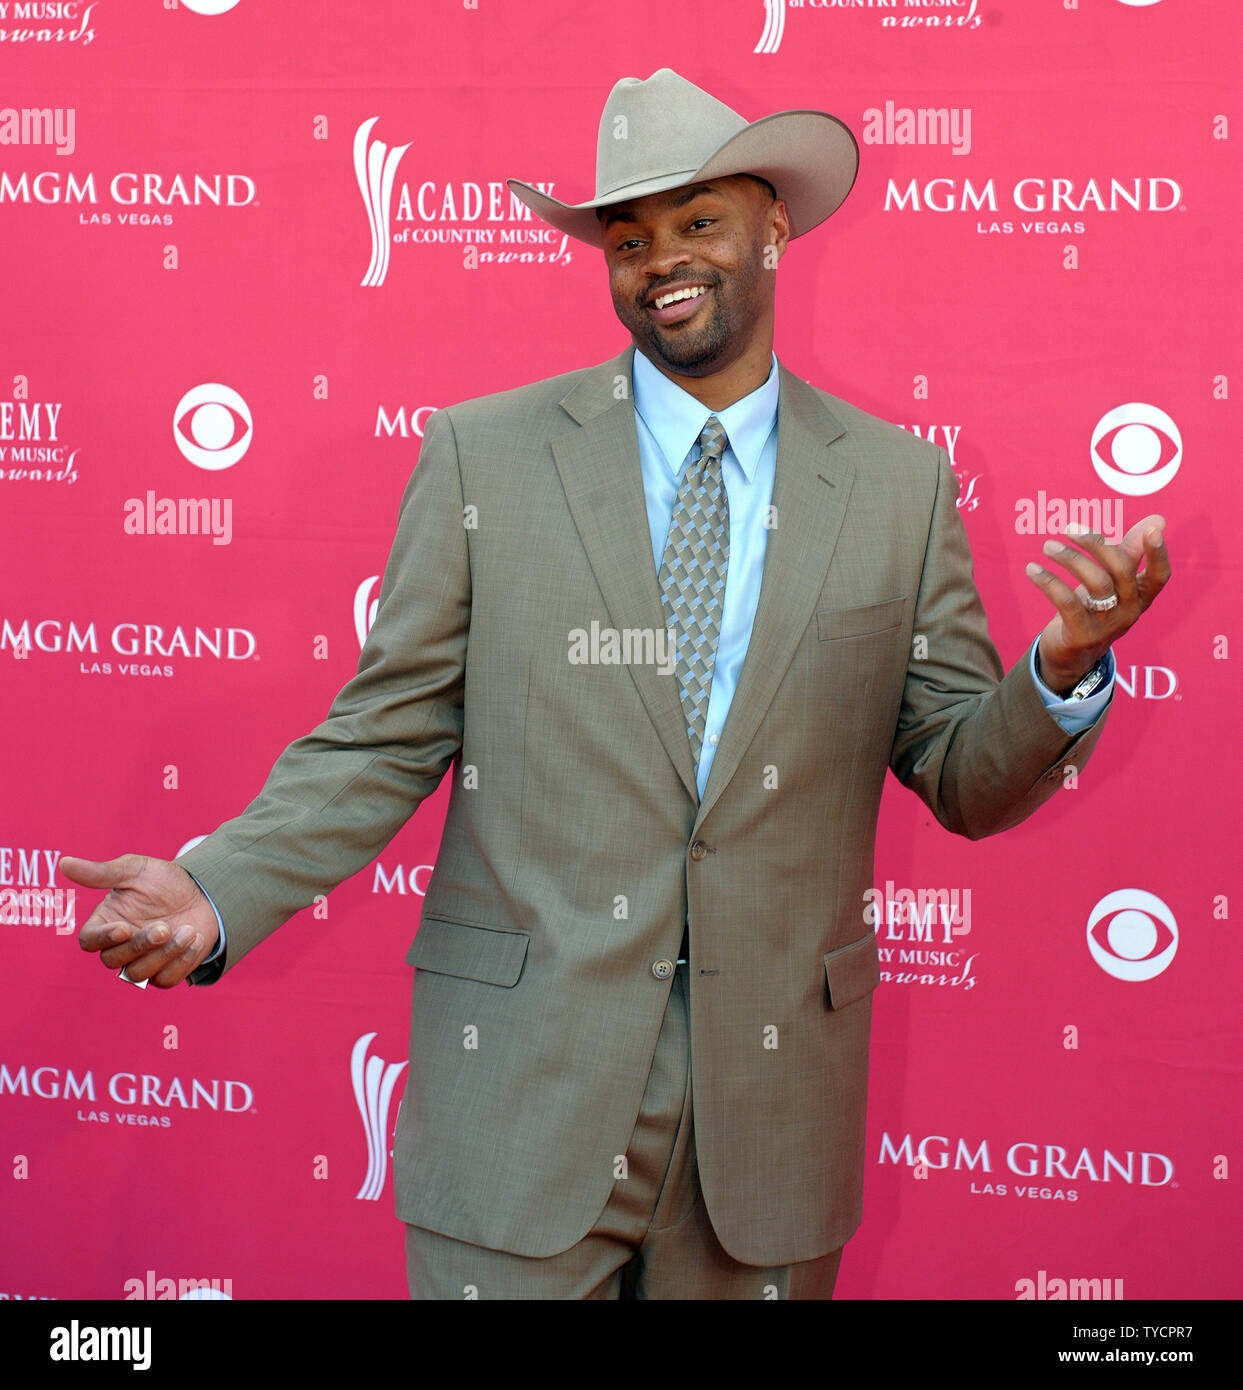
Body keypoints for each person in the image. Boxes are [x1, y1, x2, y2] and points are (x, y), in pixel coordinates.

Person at [65, 69, 1169, 1299]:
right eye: (627, 239)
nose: (661, 261)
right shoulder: (483, 454)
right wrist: (216, 892)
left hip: (769, 1124)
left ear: (774, 229)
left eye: (698, 222)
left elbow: (962, 774)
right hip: (522, 1105)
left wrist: (1058, 669)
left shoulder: (897, 488)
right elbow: (380, 739)